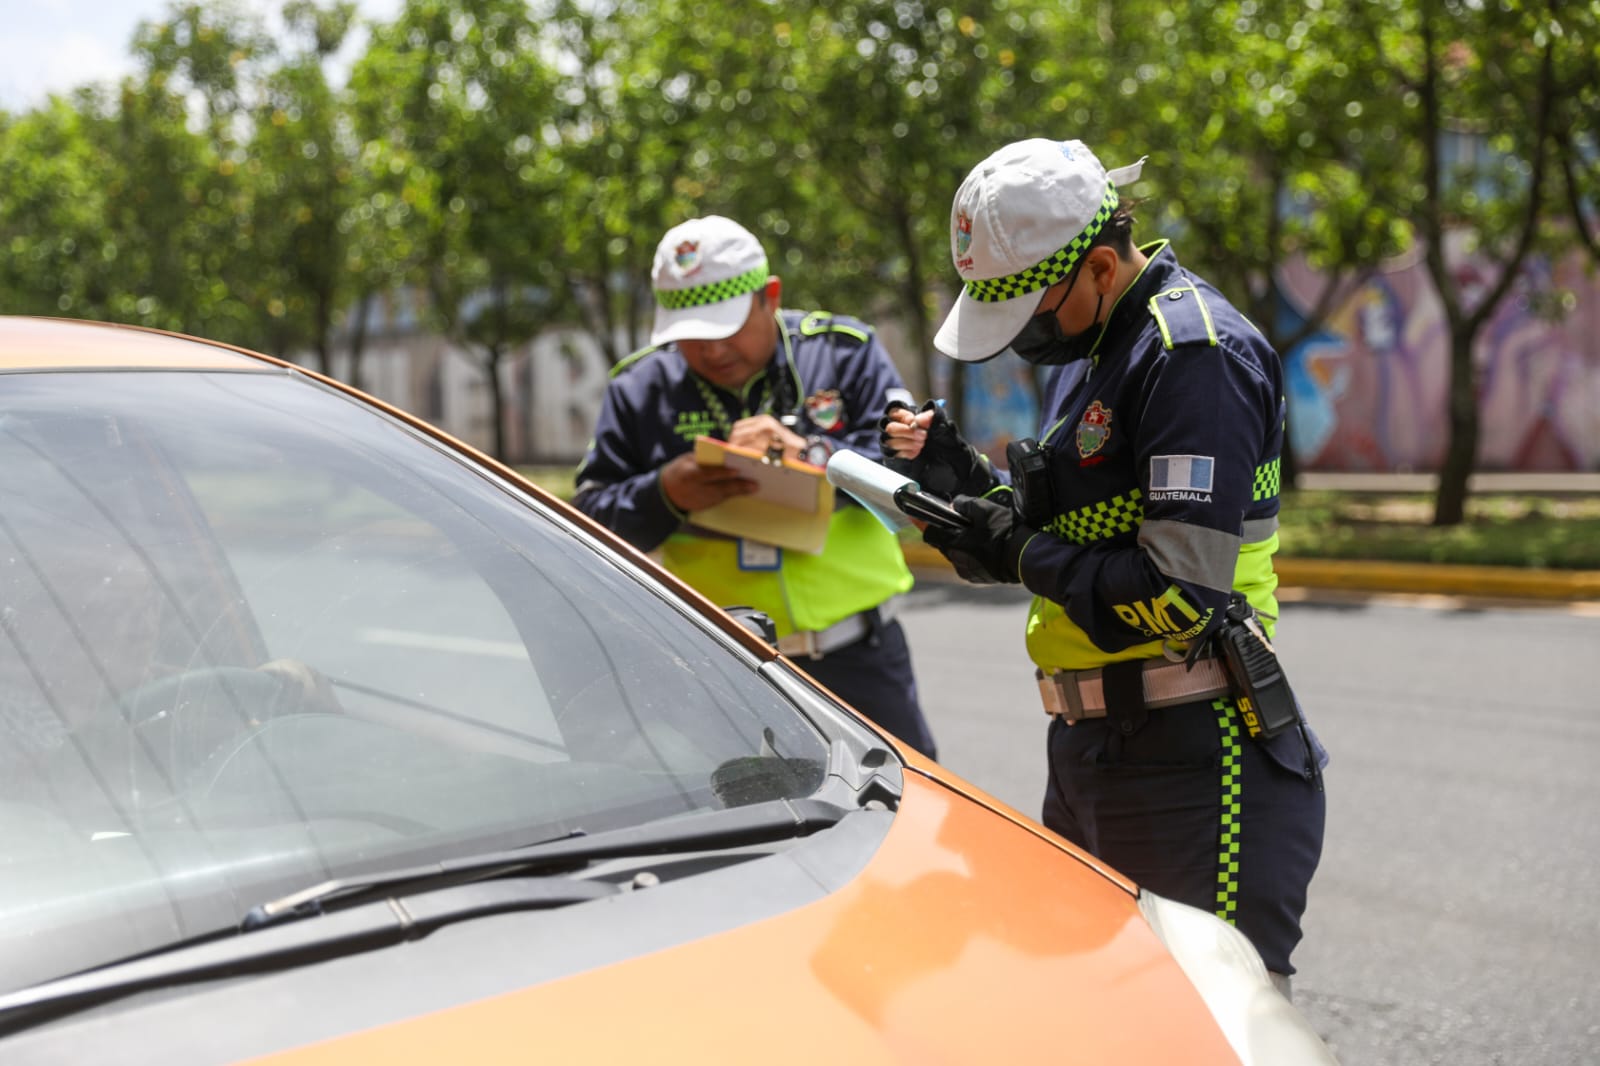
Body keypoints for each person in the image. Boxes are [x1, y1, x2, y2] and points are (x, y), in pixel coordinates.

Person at [882, 137, 1327, 991]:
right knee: (1104, 1019)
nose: (1027, 336)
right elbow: (1068, 542)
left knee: (1203, 1025)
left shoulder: (1191, 356)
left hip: (1193, 754)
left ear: (1096, 266)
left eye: (1032, 307)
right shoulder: (1103, 348)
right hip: (1099, 751)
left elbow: (1179, 593)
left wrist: (1020, 549)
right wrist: (957, 481)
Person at [574, 214, 937, 759]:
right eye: (690, 336)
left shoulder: (844, 352)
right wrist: (665, 493)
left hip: (859, 659)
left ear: (770, 296)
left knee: (911, 818)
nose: (711, 351)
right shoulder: (639, 388)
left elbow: (910, 471)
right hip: (722, 669)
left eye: (724, 328)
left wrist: (817, 457)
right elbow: (590, 518)